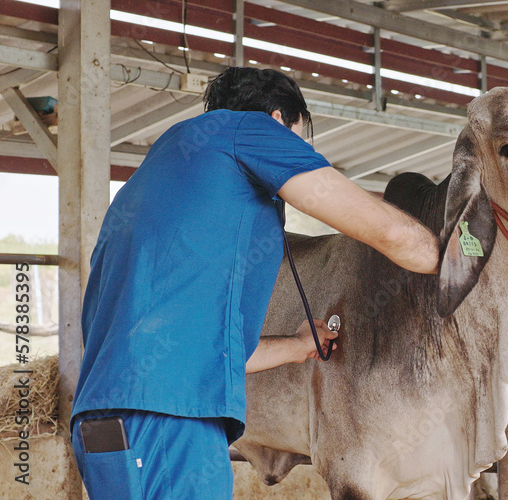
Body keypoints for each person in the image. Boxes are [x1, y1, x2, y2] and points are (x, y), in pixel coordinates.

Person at [70, 67, 440, 498]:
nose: (299, 152)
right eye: (301, 141)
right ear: (280, 119)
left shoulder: (166, 168)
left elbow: (209, 352)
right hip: (170, 423)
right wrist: (453, 258)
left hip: (107, 427)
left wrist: (299, 346)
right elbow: (385, 230)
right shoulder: (248, 130)